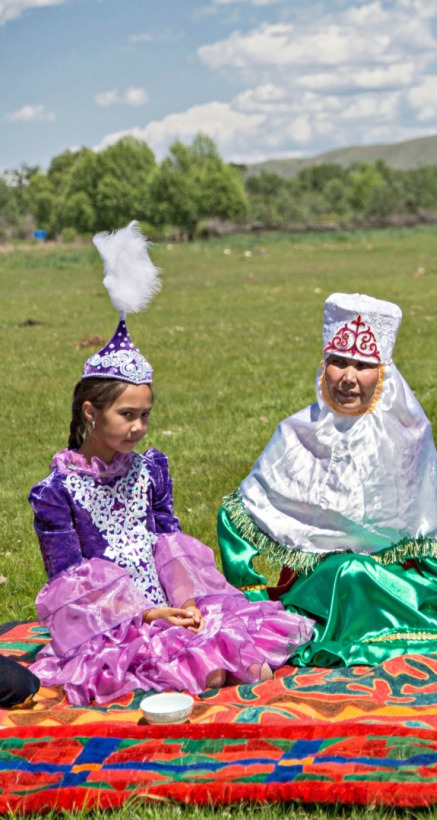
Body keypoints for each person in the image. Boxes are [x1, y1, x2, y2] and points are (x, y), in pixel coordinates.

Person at [29, 223, 312, 706]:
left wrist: (184, 602)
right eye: (126, 416)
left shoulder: (151, 470)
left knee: (240, 652)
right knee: (198, 671)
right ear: (90, 412)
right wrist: (146, 614)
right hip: (111, 621)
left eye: (145, 415)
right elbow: (69, 582)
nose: (139, 428)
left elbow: (169, 541)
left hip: (170, 601)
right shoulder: (56, 493)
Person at [218, 293, 437, 666]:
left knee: (360, 573)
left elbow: (434, 533)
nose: (348, 378)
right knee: (348, 572)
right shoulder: (296, 435)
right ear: (323, 367)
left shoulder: (406, 438)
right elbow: (237, 516)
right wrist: (250, 594)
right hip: (322, 585)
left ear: (383, 375)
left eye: (362, 365)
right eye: (338, 363)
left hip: (398, 585)